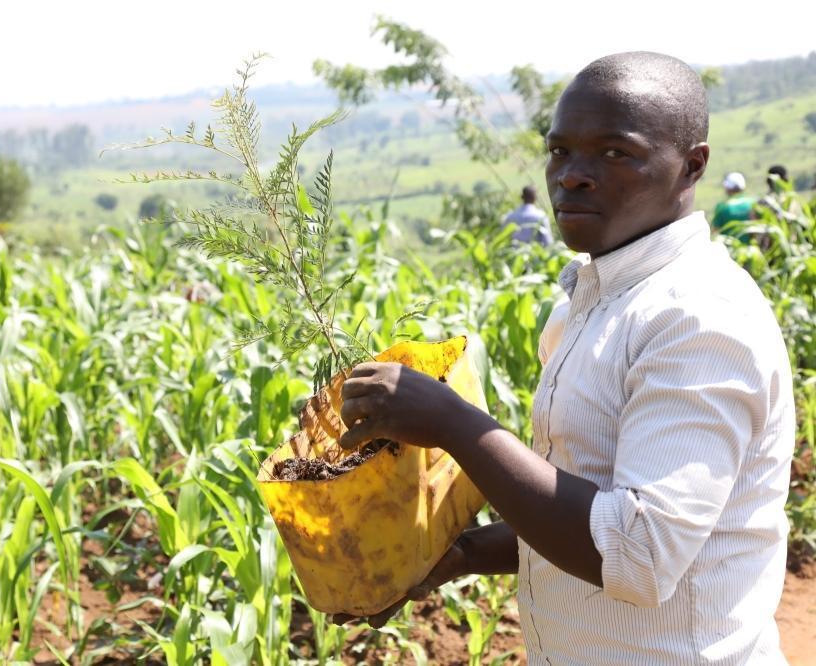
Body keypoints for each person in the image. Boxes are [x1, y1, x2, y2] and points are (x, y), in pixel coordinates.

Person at [333, 51, 794, 664]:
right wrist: (465, 556)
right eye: (559, 151)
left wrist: (452, 423)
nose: (572, 175)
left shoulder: (698, 318)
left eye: (614, 152)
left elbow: (638, 555)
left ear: (692, 166)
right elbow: (587, 499)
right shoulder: (596, 295)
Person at [712, 171, 755, 239]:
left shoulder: (722, 207)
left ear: (728, 188)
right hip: (752, 249)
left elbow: (714, 231)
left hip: (728, 248)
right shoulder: (753, 203)